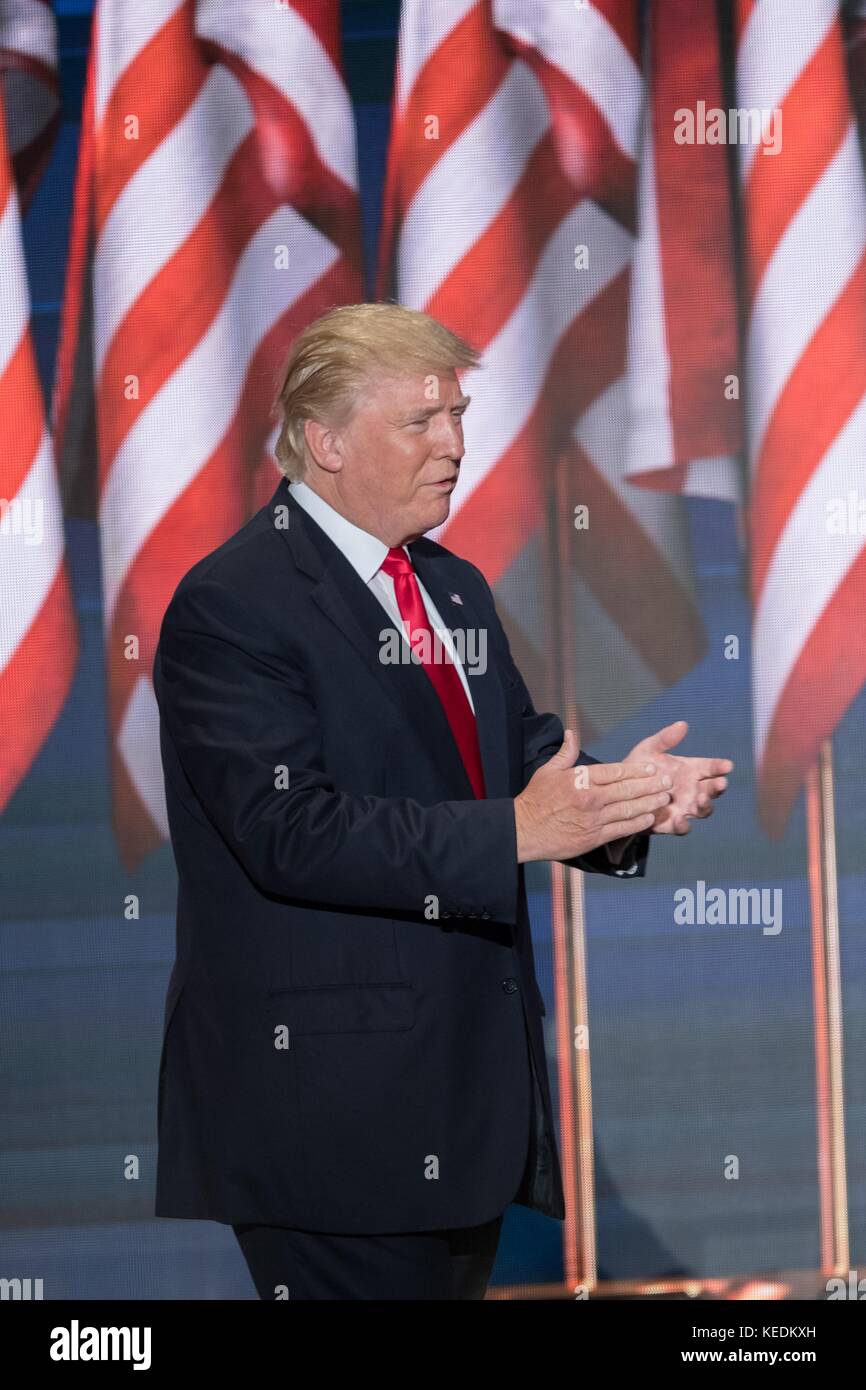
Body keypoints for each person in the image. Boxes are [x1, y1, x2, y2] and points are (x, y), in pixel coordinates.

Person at [152, 302, 732, 1300]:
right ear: (323, 439)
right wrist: (518, 827)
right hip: (329, 1118)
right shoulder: (233, 603)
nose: (455, 445)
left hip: (455, 1105)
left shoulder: (447, 585)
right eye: (420, 423)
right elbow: (288, 830)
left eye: (457, 415)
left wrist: (625, 797)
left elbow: (512, 762)